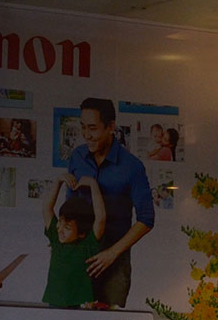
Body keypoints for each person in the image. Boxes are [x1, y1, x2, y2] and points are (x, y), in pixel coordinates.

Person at [66, 97, 155, 308]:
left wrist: (112, 253)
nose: (87, 134)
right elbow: (69, 207)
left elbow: (147, 219)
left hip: (115, 261)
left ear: (111, 127)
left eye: (93, 128)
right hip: (79, 255)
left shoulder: (132, 167)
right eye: (83, 127)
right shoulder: (77, 157)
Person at [41, 175, 105, 308]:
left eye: (67, 227)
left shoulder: (87, 245)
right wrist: (58, 181)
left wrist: (93, 184)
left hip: (79, 304)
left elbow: (101, 218)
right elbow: (47, 208)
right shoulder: (56, 239)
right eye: (60, 222)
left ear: (81, 233)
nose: (60, 229)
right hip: (55, 302)